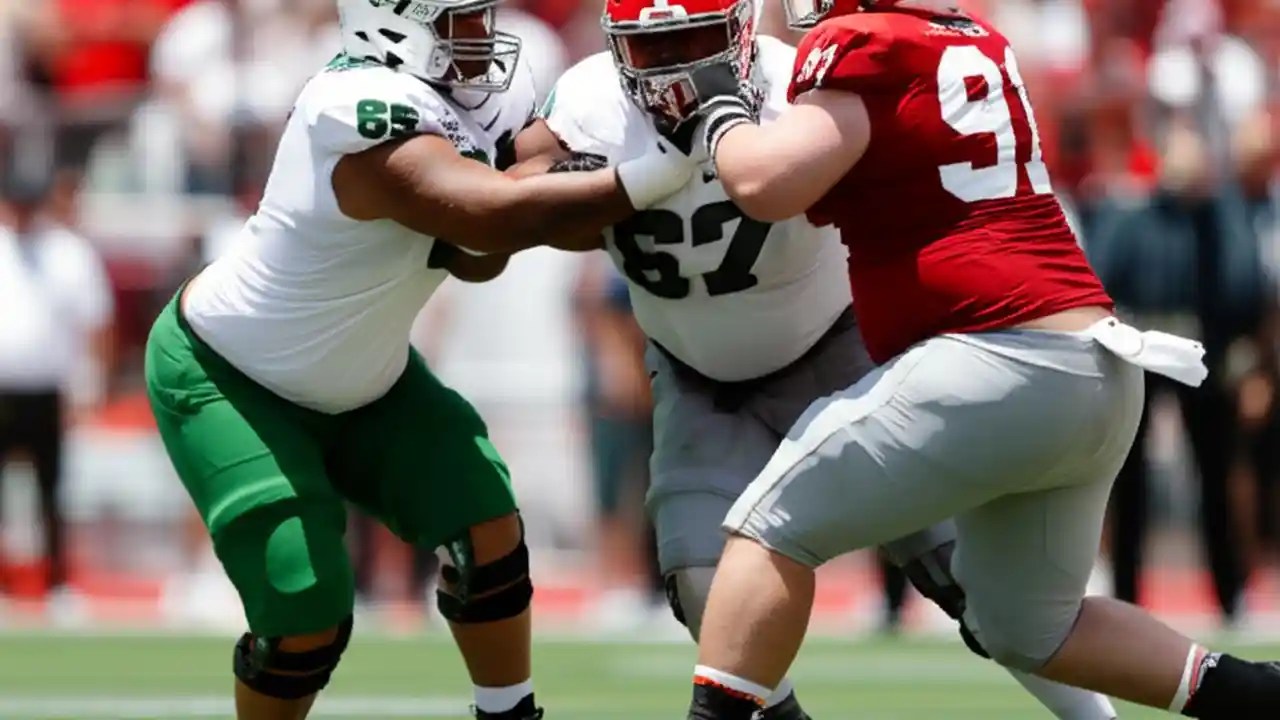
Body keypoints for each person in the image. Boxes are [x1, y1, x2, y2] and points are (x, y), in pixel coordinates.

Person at [670, 1, 1280, 718]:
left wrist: (715, 106)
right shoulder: (972, 37)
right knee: (1031, 627)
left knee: (766, 527)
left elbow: (764, 184)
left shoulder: (866, 41)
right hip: (1094, 365)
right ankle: (1258, 694)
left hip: (999, 359)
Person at [525, 2, 1120, 717]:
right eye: (653, 48)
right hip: (695, 370)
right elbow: (521, 185)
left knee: (967, 578)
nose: (678, 66)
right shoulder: (591, 100)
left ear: (742, 32)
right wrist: (603, 184)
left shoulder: (794, 82)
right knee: (703, 585)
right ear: (618, 47)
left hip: (838, 346)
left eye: (696, 39)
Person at [142, 0, 700, 717]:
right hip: (234, 372)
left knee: (486, 522)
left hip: (365, 375)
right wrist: (643, 180)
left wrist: (582, 178)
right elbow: (483, 213)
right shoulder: (353, 106)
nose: (484, 37)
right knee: (304, 609)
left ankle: (508, 711)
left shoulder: (473, 97)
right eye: (462, 20)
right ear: (392, 23)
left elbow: (476, 260)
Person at [0, 139, 114, 616]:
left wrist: (89, 386)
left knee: (53, 490)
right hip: (2, 387)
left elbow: (95, 323)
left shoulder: (69, 253)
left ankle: (57, 583)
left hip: (47, 389)